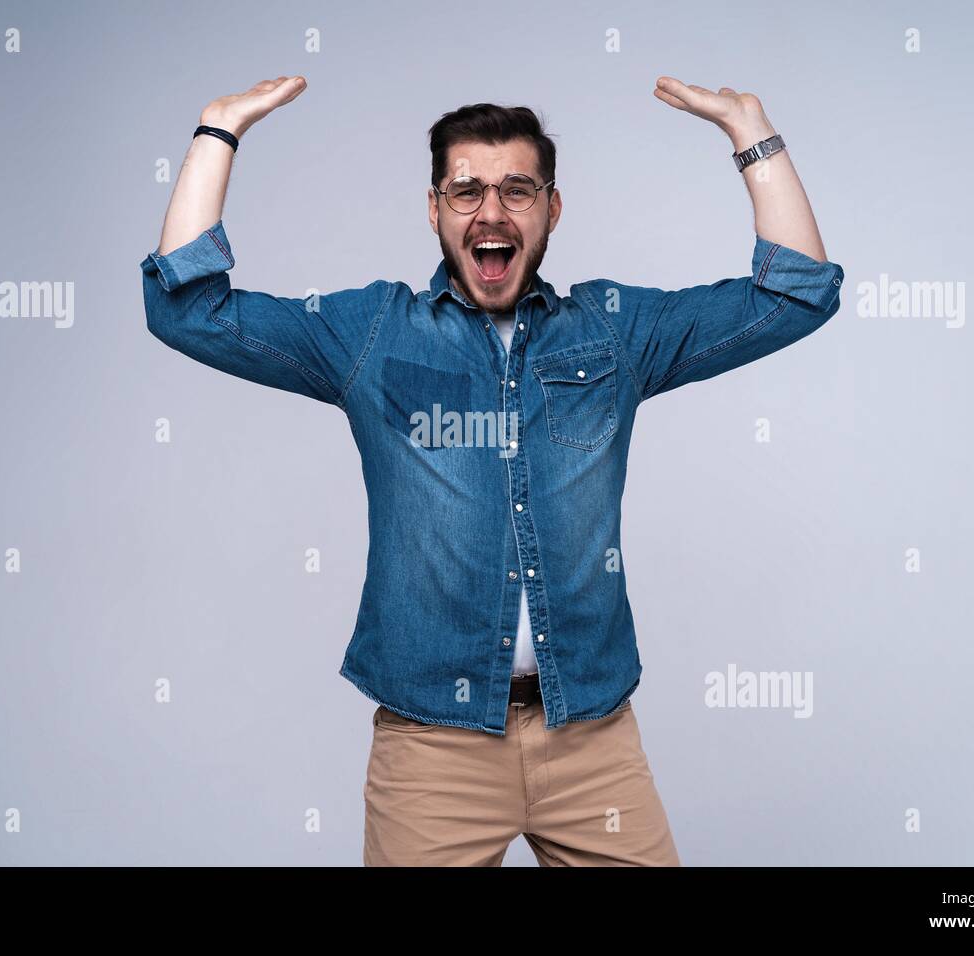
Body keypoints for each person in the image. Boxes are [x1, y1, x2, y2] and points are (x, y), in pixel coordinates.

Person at [141, 75, 844, 866]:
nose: (492, 212)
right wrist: (217, 133)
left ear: (551, 208)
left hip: (592, 741)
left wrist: (752, 135)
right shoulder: (372, 334)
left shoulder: (615, 332)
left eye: (517, 189)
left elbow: (796, 297)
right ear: (434, 208)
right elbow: (184, 310)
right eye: (466, 189)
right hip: (432, 754)